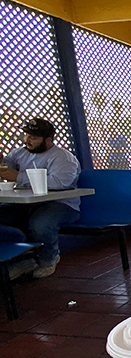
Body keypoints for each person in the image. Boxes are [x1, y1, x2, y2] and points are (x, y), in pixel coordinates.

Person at [0, 117, 81, 278]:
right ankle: (22, 257)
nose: (28, 140)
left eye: (34, 137)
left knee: (40, 223)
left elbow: (60, 183)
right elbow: (6, 169)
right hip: (25, 204)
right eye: (26, 135)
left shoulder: (62, 158)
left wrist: (19, 177)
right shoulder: (18, 153)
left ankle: (48, 259)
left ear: (48, 140)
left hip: (60, 204)